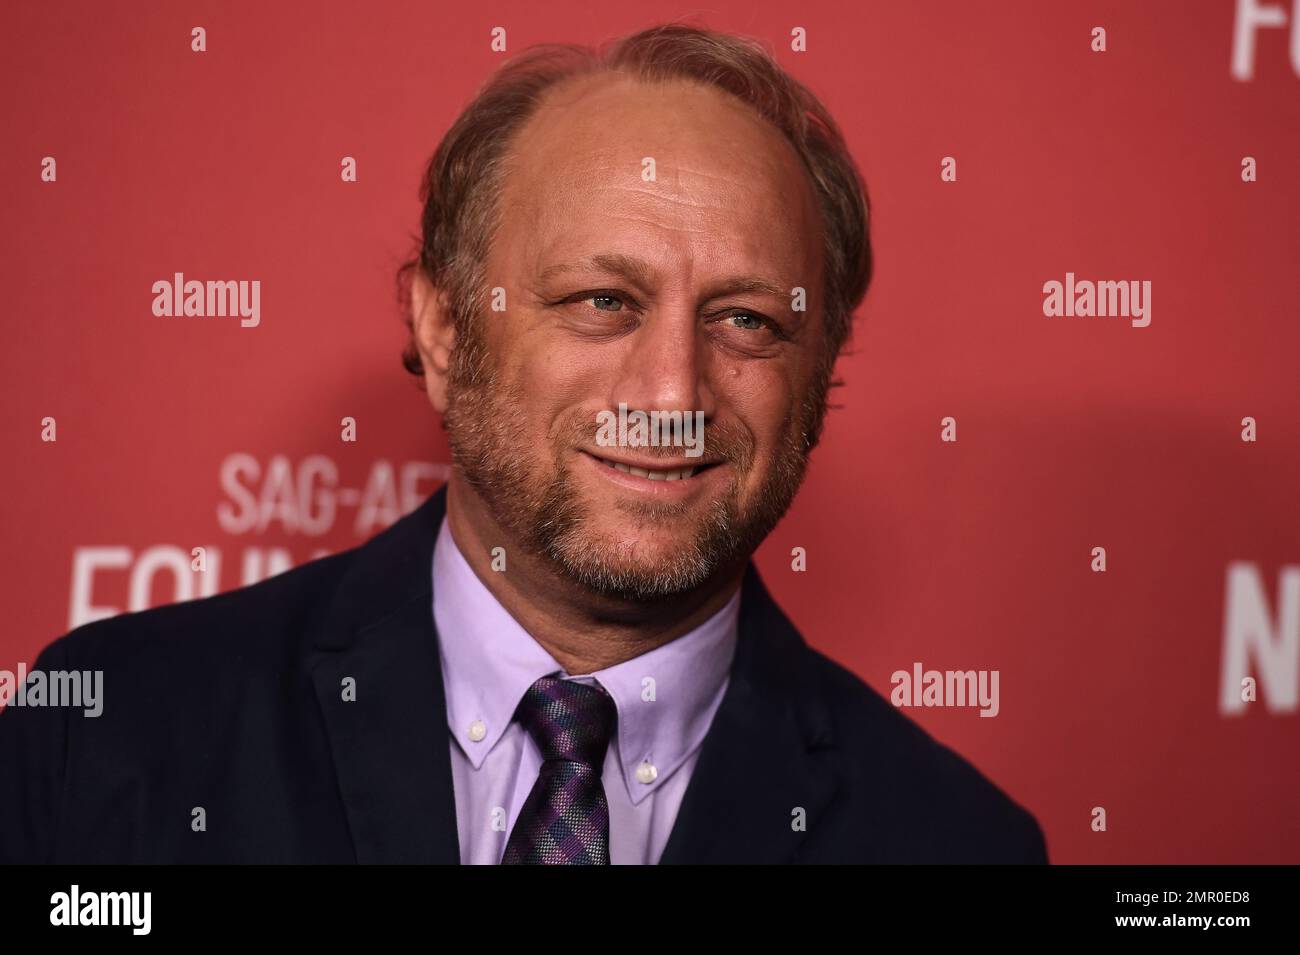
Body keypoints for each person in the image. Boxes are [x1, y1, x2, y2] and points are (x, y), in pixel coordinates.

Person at [0, 23, 1047, 864]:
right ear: (444, 330)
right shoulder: (105, 735)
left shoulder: (956, 841)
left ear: (821, 366)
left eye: (748, 322)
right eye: (602, 299)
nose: (672, 390)